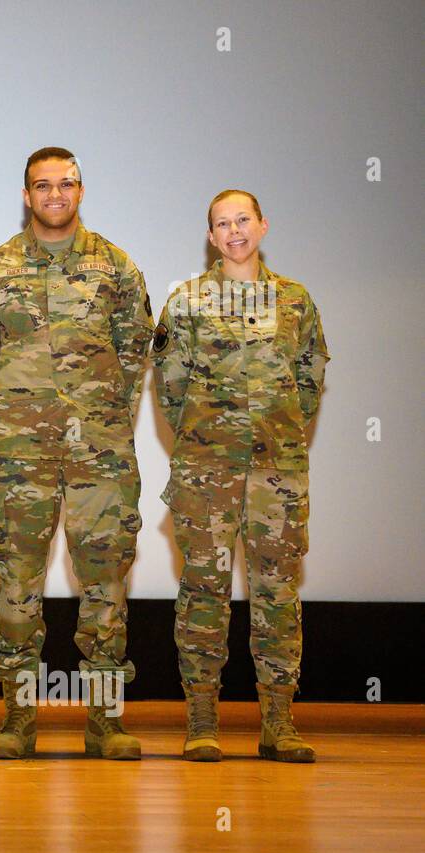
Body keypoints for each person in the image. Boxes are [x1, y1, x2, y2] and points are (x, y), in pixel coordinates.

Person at [0, 147, 152, 759]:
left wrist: (99, 417)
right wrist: (9, 417)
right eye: (43, 186)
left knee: (106, 588)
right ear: (26, 195)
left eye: (65, 184)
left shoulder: (117, 268)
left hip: (101, 456)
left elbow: (135, 352)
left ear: (81, 190)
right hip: (20, 459)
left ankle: (105, 722)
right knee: (16, 591)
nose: (55, 195)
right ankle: (18, 720)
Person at [153, 189, 329, 763]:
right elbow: (170, 386)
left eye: (243, 221)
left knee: (277, 592)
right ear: (210, 235)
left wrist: (275, 433)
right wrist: (210, 437)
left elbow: (309, 380)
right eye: (222, 224)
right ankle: (202, 720)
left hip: (277, 473)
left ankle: (279, 721)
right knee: (204, 590)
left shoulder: (296, 300)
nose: (234, 232)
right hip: (207, 472)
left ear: (263, 225)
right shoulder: (185, 302)